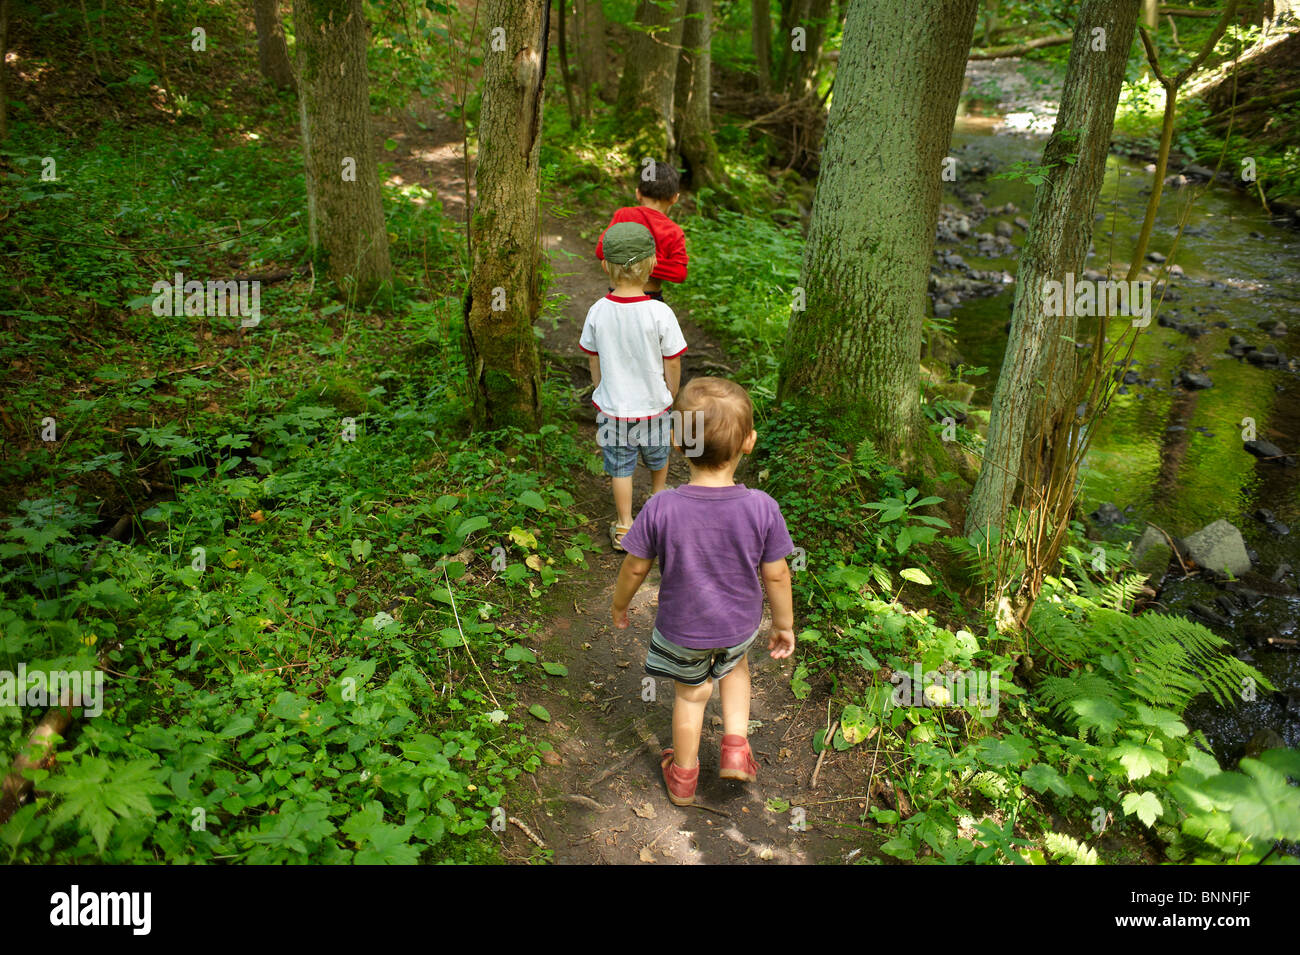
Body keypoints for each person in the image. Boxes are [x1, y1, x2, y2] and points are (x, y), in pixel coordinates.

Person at [610, 377, 796, 807]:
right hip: (738, 625)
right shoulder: (762, 507)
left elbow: (635, 565)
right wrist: (783, 624)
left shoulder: (661, 507)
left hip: (682, 630)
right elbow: (778, 575)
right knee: (734, 670)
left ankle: (684, 777)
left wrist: (620, 604)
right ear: (749, 442)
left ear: (677, 441)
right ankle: (734, 746)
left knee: (691, 695)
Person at [579, 221, 688, 551]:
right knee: (658, 457)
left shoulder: (597, 311)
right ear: (653, 264)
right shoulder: (660, 313)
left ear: (605, 265)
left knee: (621, 468)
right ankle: (658, 500)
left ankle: (625, 525)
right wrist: (671, 392)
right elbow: (672, 359)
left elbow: (594, 358)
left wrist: (601, 388)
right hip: (654, 406)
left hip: (614, 410)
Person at [594, 161, 687, 302]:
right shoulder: (674, 231)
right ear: (675, 198)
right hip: (652, 299)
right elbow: (679, 272)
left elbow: (601, 251)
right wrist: (648, 262)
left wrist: (631, 258)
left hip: (617, 296)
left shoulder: (624, 215)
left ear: (638, 193)